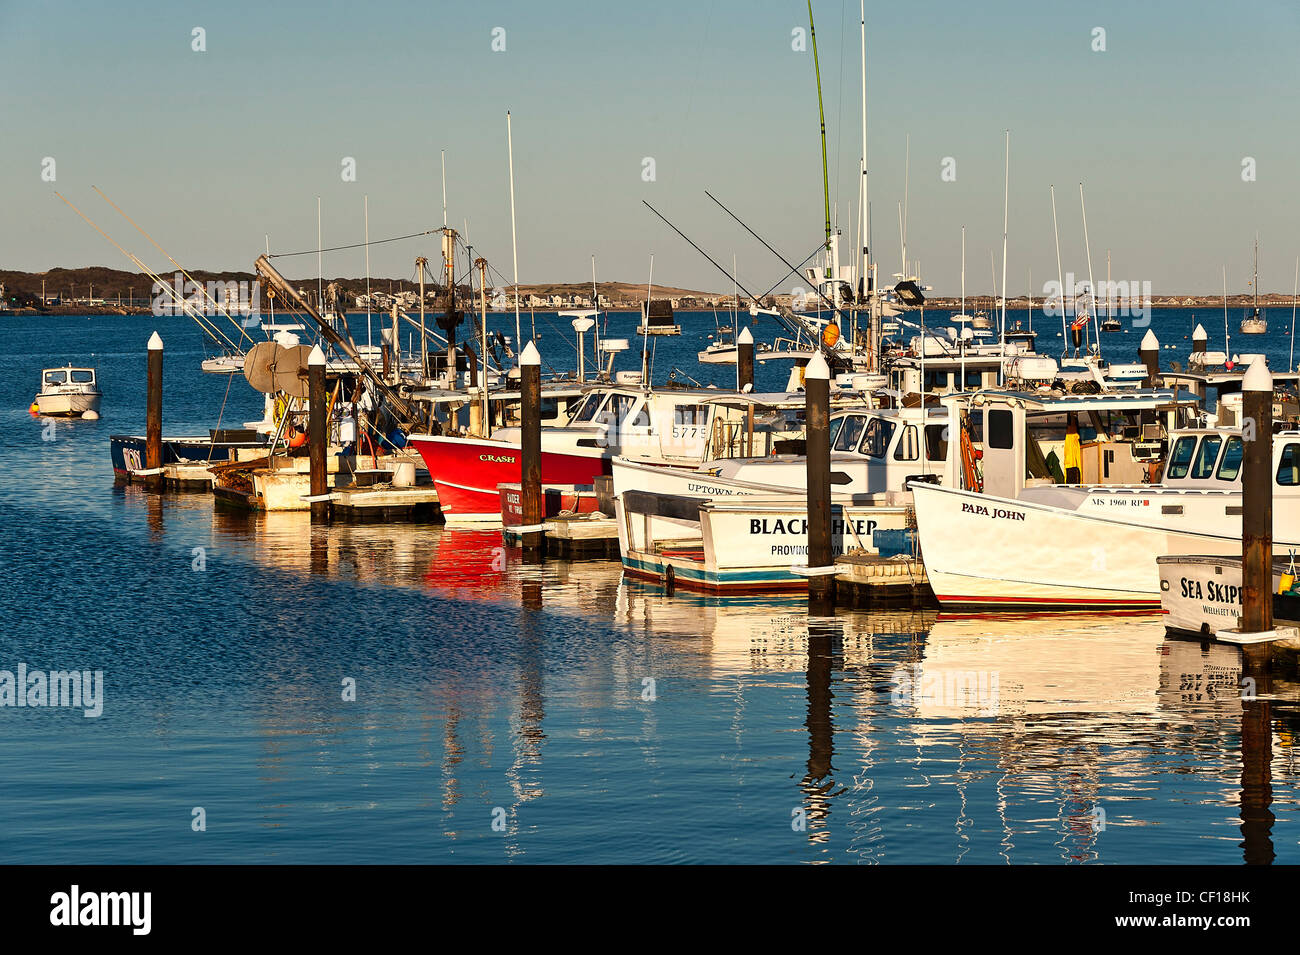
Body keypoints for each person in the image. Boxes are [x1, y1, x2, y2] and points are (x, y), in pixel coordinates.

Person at [1063, 413, 1082, 484]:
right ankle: (1072, 415)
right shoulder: (1071, 437)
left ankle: (1072, 414)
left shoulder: (1070, 437)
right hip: (1071, 463)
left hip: (1070, 463)